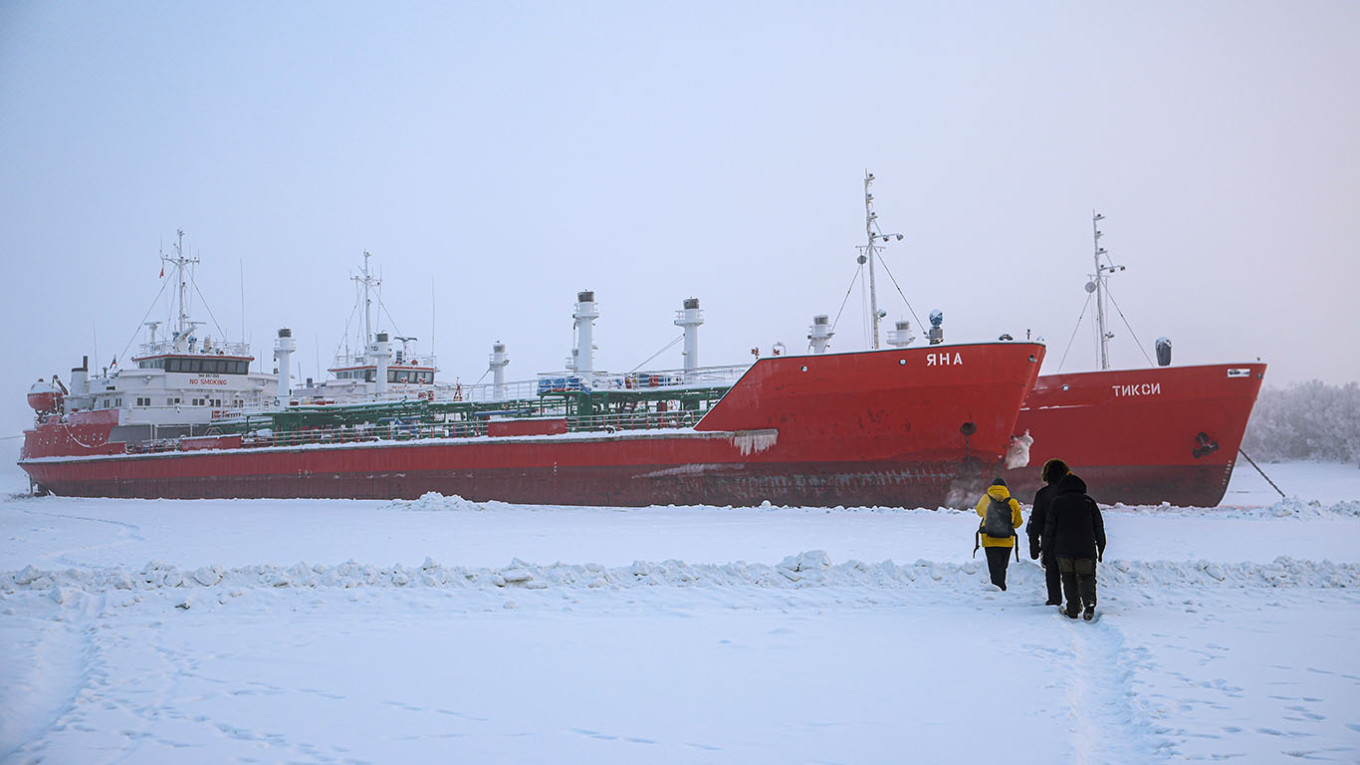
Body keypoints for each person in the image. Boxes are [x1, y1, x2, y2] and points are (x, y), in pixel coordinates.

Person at [1043, 473, 1107, 620]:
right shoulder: (1088, 502)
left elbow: (1049, 529)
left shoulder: (1057, 503)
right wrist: (1101, 547)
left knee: (1068, 578)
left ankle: (1072, 609)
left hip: (1063, 550)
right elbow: (1099, 527)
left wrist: (1046, 549)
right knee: (1087, 577)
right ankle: (1089, 603)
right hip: (1086, 550)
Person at [1026, 458, 1070, 606]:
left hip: (1049, 540)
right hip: (1070, 540)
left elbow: (1036, 522)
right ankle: (1074, 602)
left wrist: (1033, 544)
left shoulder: (1042, 494)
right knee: (1071, 572)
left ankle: (1054, 599)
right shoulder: (1072, 493)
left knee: (1052, 571)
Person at [974, 478, 1023, 591]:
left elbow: (979, 512)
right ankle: (1001, 587)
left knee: (993, 566)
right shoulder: (1012, 502)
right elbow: (1018, 524)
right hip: (1007, 540)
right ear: (1005, 488)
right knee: (1002, 567)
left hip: (989, 539)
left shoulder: (985, 499)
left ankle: (997, 588)